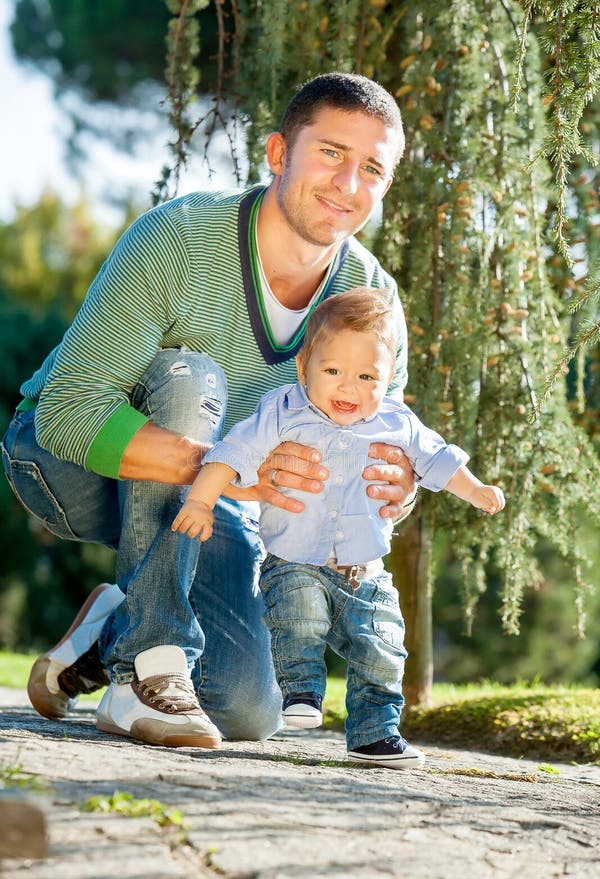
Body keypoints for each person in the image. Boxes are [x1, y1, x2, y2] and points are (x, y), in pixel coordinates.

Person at [1, 72, 418, 749]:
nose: (349, 183)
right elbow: (69, 412)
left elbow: (375, 445)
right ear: (279, 153)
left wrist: (392, 488)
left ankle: (113, 626)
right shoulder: (180, 238)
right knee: (190, 377)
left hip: (206, 497)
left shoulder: (372, 296)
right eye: (332, 153)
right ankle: (145, 666)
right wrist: (229, 470)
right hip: (61, 463)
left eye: (372, 168)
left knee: (252, 711)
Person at [171, 288, 505, 769]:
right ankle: (303, 689)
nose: (349, 388)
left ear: (389, 379)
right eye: (333, 372)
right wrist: (202, 501)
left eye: (367, 376)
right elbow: (233, 453)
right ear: (304, 364)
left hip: (364, 570)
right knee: (300, 617)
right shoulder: (282, 410)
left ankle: (375, 732)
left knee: (383, 648)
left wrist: (475, 490)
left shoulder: (397, 422)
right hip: (294, 560)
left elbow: (438, 458)